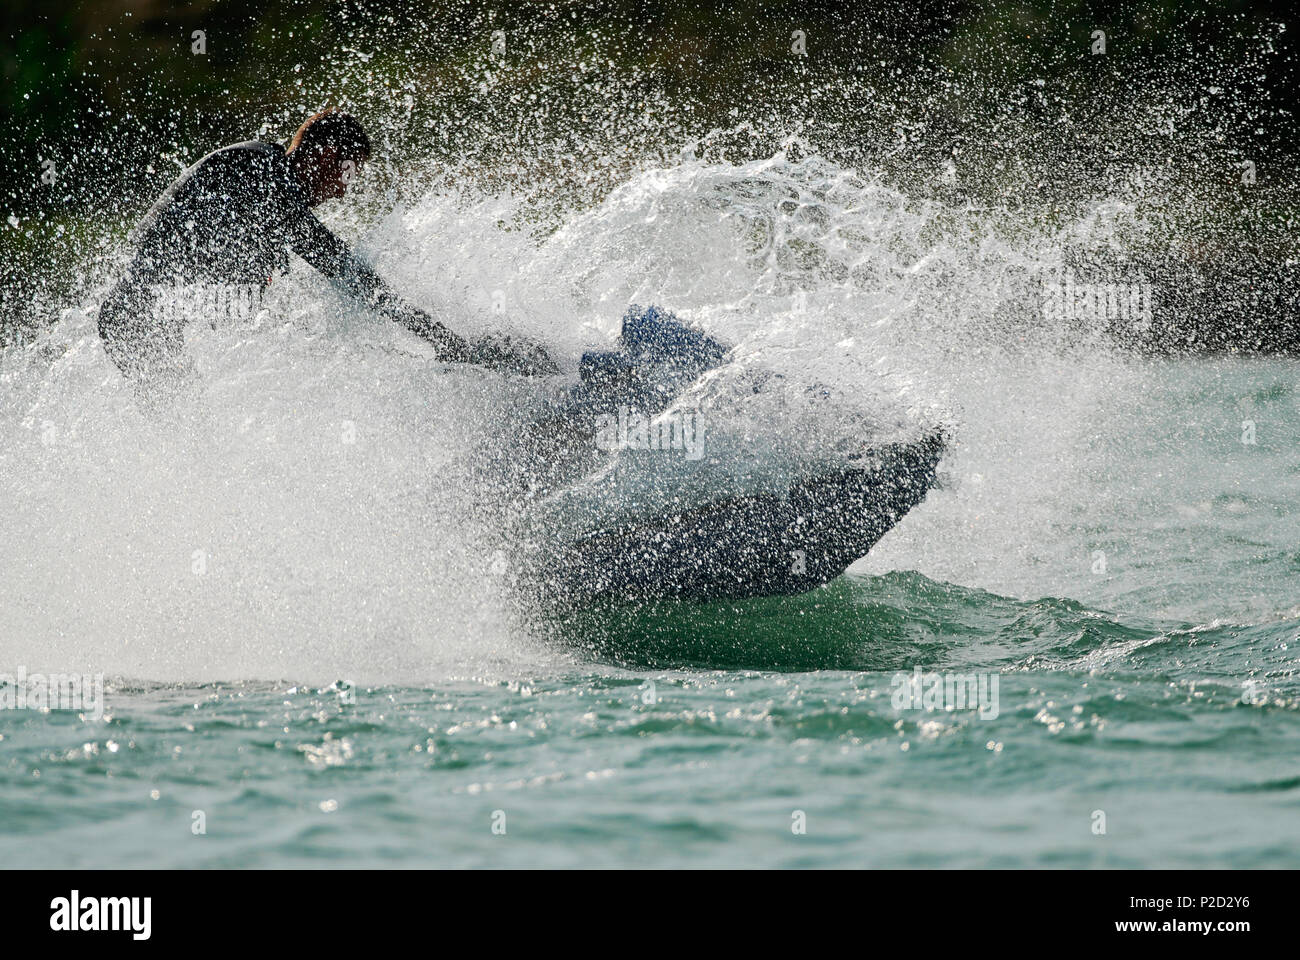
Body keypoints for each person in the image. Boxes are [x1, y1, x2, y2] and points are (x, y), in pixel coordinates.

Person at [97, 108, 554, 393]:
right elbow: (346, 272)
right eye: (347, 173)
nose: (343, 191)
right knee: (188, 427)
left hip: (143, 315)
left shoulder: (267, 178)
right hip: (139, 316)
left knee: (190, 423)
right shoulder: (263, 173)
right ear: (323, 154)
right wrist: (443, 340)